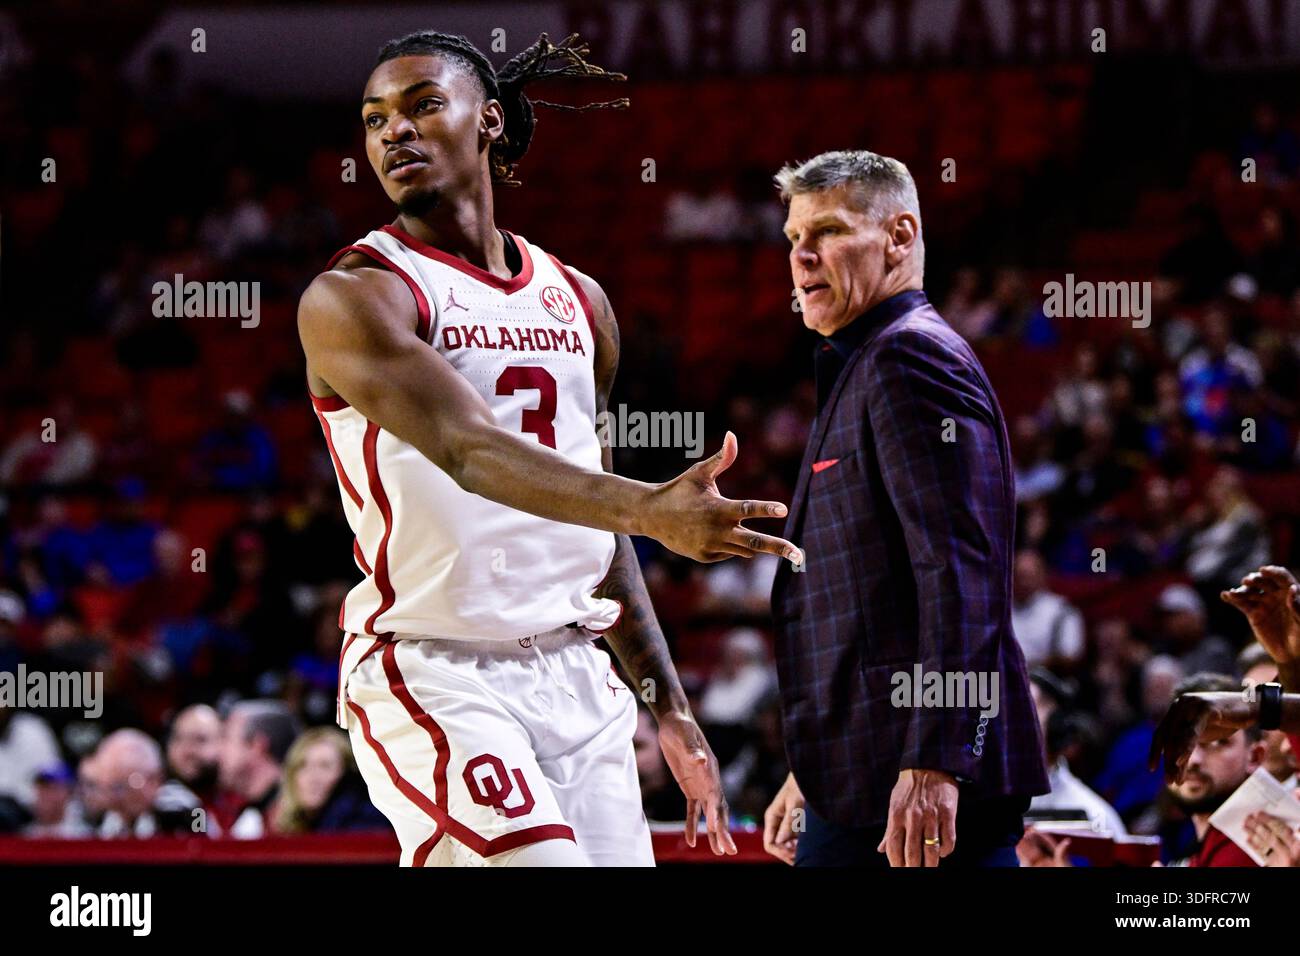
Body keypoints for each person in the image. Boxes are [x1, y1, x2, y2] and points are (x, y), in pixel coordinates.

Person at [296, 31, 797, 867]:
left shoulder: (579, 300)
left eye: (423, 105)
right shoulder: (355, 295)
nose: (395, 132)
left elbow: (589, 516)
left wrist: (667, 705)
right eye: (374, 118)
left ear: (489, 120)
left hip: (574, 667)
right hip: (435, 669)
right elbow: (470, 449)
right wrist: (652, 509)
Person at [762, 150, 1047, 867]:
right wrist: (815, 768)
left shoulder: (908, 360)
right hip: (863, 775)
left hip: (915, 779)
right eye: (794, 237)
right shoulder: (861, 362)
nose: (802, 256)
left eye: (827, 231)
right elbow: (871, 602)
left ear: (898, 236)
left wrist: (938, 761)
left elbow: (962, 574)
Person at [272, 727, 388, 833]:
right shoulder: (286, 827)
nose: (313, 778)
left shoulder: (365, 825)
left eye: (325, 766)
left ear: (347, 773)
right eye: (303, 765)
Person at [216, 699, 300, 839]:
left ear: (257, 745)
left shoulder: (297, 816)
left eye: (226, 738)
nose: (218, 751)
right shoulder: (234, 813)